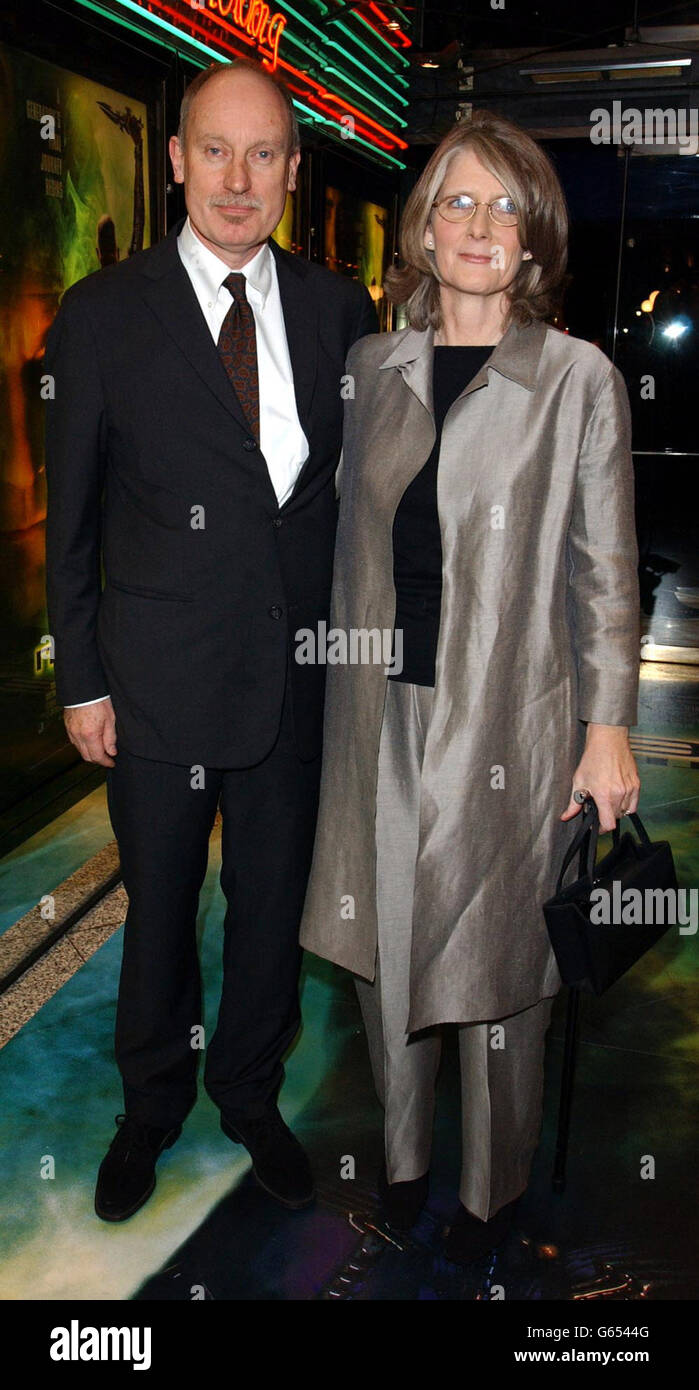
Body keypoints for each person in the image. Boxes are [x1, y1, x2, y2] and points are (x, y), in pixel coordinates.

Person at [299, 109, 641, 1264]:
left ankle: (492, 1191)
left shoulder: (577, 377)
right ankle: (401, 1165)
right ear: (425, 232)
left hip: (514, 719)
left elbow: (605, 570)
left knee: (502, 969)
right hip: (381, 713)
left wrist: (607, 729)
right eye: (459, 200)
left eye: (505, 204)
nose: (481, 223)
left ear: (534, 236)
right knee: (390, 948)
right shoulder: (371, 366)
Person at [44, 57, 377, 1223]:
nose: (240, 177)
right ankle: (150, 1106)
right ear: (175, 159)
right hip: (156, 684)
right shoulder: (102, 315)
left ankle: (247, 1093)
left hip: (297, 687)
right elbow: (71, 515)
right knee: (162, 910)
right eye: (216, 150)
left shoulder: (344, 314)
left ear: (293, 169)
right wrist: (80, 678)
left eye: (265, 152)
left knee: (272, 908)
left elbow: (361, 510)